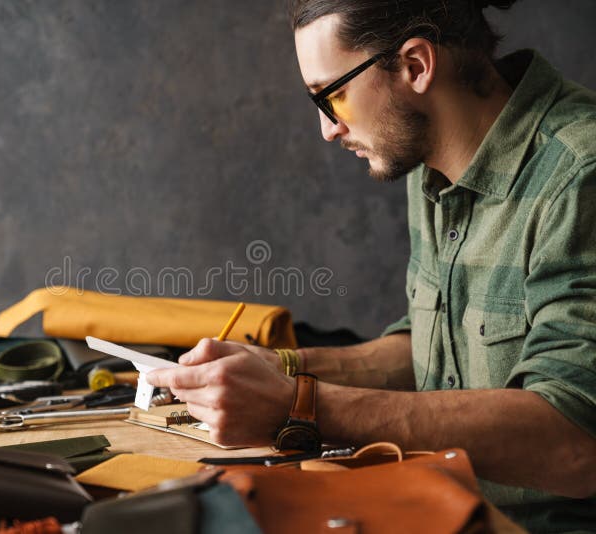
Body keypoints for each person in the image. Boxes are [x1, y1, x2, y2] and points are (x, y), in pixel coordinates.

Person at [147, 0, 596, 530]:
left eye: (332, 96)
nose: (327, 129)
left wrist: (301, 406)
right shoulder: (429, 162)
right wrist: (283, 369)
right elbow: (430, 352)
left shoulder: (578, 176)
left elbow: (574, 443)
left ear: (415, 66)